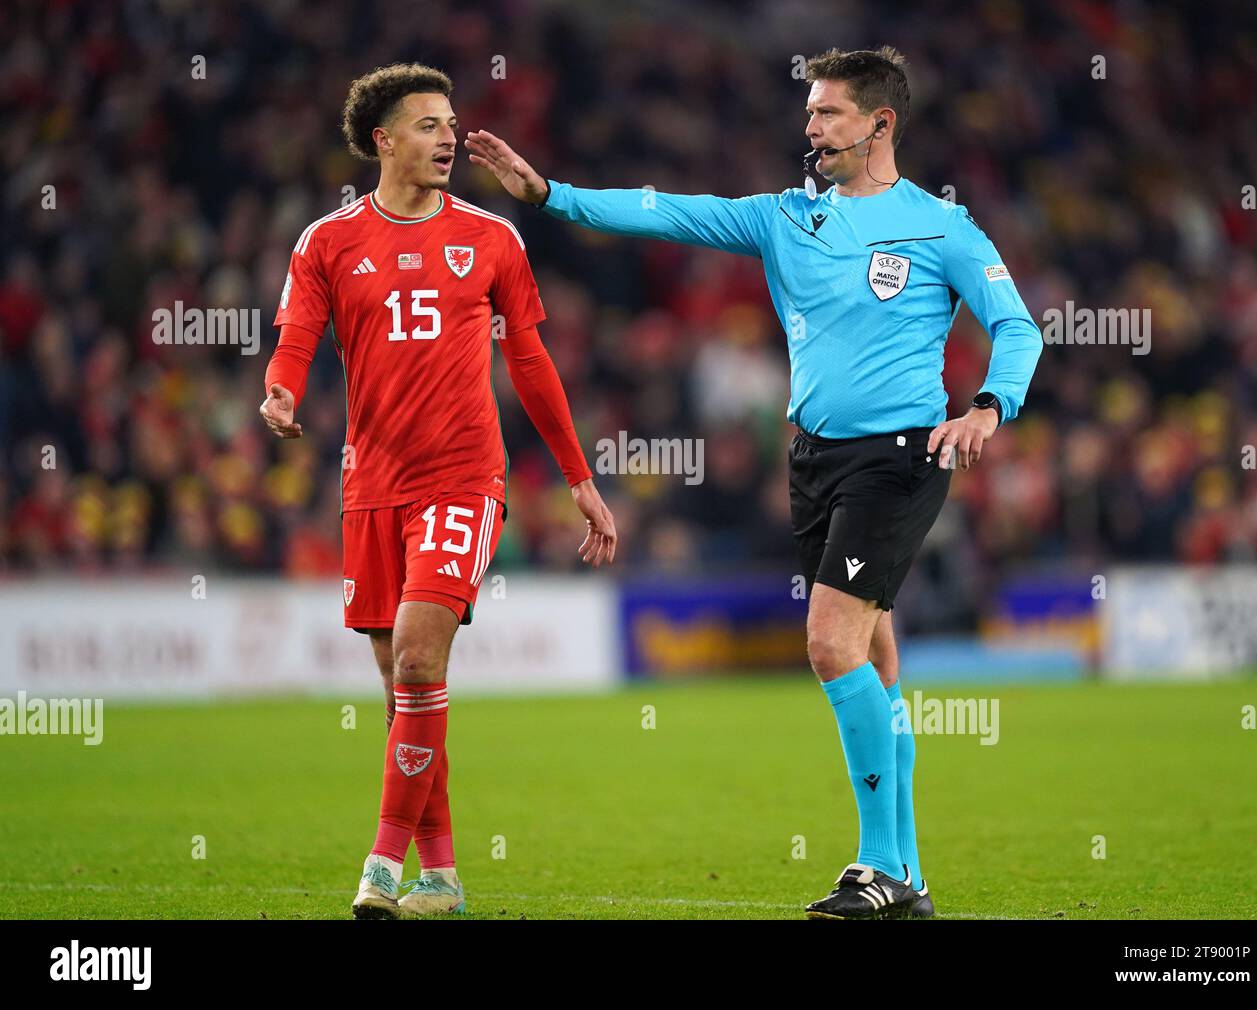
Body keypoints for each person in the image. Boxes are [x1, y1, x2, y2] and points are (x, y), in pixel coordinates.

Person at [467, 46, 1042, 919]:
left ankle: (879, 867)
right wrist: (552, 196)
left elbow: (1018, 327)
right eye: (809, 112)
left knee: (829, 644)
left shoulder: (942, 227)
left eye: (828, 113)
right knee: (874, 653)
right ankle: (912, 877)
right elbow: (666, 213)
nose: (809, 126)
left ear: (880, 124)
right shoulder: (785, 218)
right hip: (813, 458)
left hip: (900, 457)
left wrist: (989, 410)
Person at [259, 63, 617, 919]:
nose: (448, 136)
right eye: (428, 124)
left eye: (450, 122)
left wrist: (579, 477)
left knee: (421, 657)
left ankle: (380, 867)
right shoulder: (326, 242)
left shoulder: (493, 237)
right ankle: (444, 875)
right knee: (402, 689)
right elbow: (297, 336)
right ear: (383, 141)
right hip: (370, 485)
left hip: (463, 478)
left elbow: (529, 363)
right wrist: (278, 388)